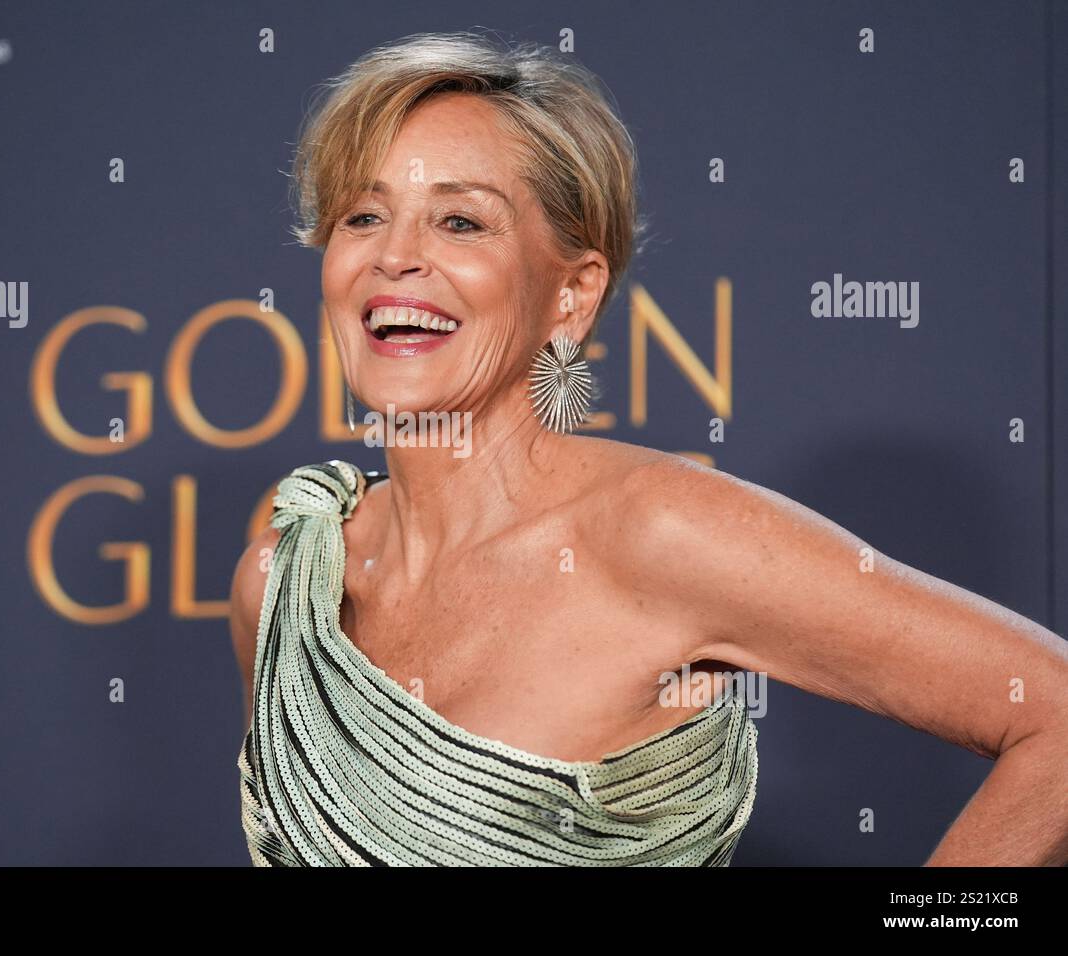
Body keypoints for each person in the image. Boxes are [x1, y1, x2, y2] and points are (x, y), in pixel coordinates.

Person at [228, 31, 1068, 866]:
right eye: (363, 216)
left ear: (572, 293)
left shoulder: (659, 533)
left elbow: (1053, 714)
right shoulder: (285, 574)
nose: (396, 258)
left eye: (460, 221)